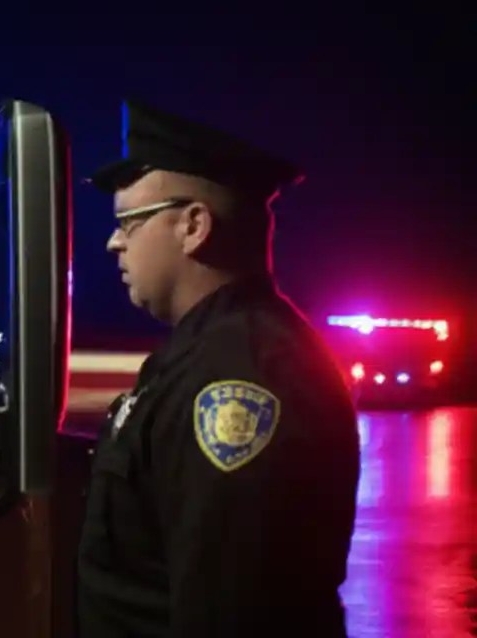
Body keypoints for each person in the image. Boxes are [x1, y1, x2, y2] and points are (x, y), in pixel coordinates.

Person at [76, 100, 361, 637]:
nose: (114, 241)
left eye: (128, 223)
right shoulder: (200, 353)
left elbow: (230, 609)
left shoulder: (241, 377)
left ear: (193, 225)